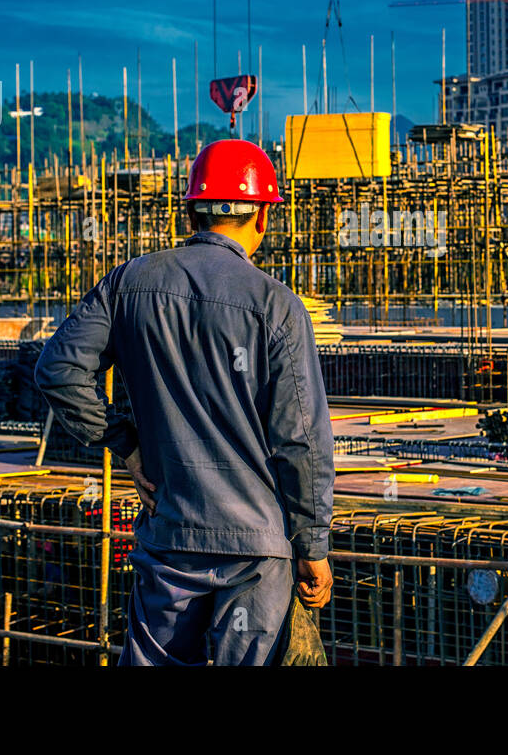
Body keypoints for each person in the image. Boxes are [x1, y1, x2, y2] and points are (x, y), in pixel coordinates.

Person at [35, 139, 335, 666]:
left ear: (192, 208)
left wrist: (125, 444)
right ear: (262, 216)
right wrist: (312, 546)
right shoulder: (277, 306)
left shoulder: (129, 283)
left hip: (171, 532)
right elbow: (301, 441)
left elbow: (59, 370)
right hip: (257, 548)